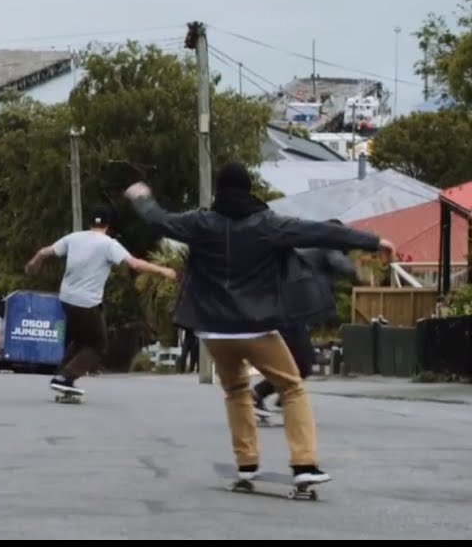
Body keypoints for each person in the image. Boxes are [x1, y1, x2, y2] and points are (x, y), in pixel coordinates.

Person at [123, 163, 393, 486]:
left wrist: (141, 198)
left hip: (214, 331)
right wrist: (373, 241)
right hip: (255, 327)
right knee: (291, 387)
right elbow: (322, 232)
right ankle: (303, 464)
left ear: (218, 192)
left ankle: (247, 464)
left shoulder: (199, 223)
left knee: (236, 391)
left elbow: (159, 219)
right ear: (249, 190)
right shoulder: (268, 224)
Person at [24, 205, 178, 397]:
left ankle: (62, 376)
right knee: (98, 345)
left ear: (90, 222)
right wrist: (163, 270)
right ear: (108, 225)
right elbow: (134, 263)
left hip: (66, 299)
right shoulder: (108, 244)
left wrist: (34, 263)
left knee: (81, 340)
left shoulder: (74, 238)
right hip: (86, 303)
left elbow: (44, 252)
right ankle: (65, 377)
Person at [252, 218, 358, 417]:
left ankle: (278, 397)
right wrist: (358, 269)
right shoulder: (328, 245)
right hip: (294, 311)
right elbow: (344, 267)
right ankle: (265, 395)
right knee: (303, 362)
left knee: (295, 361)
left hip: (280, 307)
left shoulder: (304, 246)